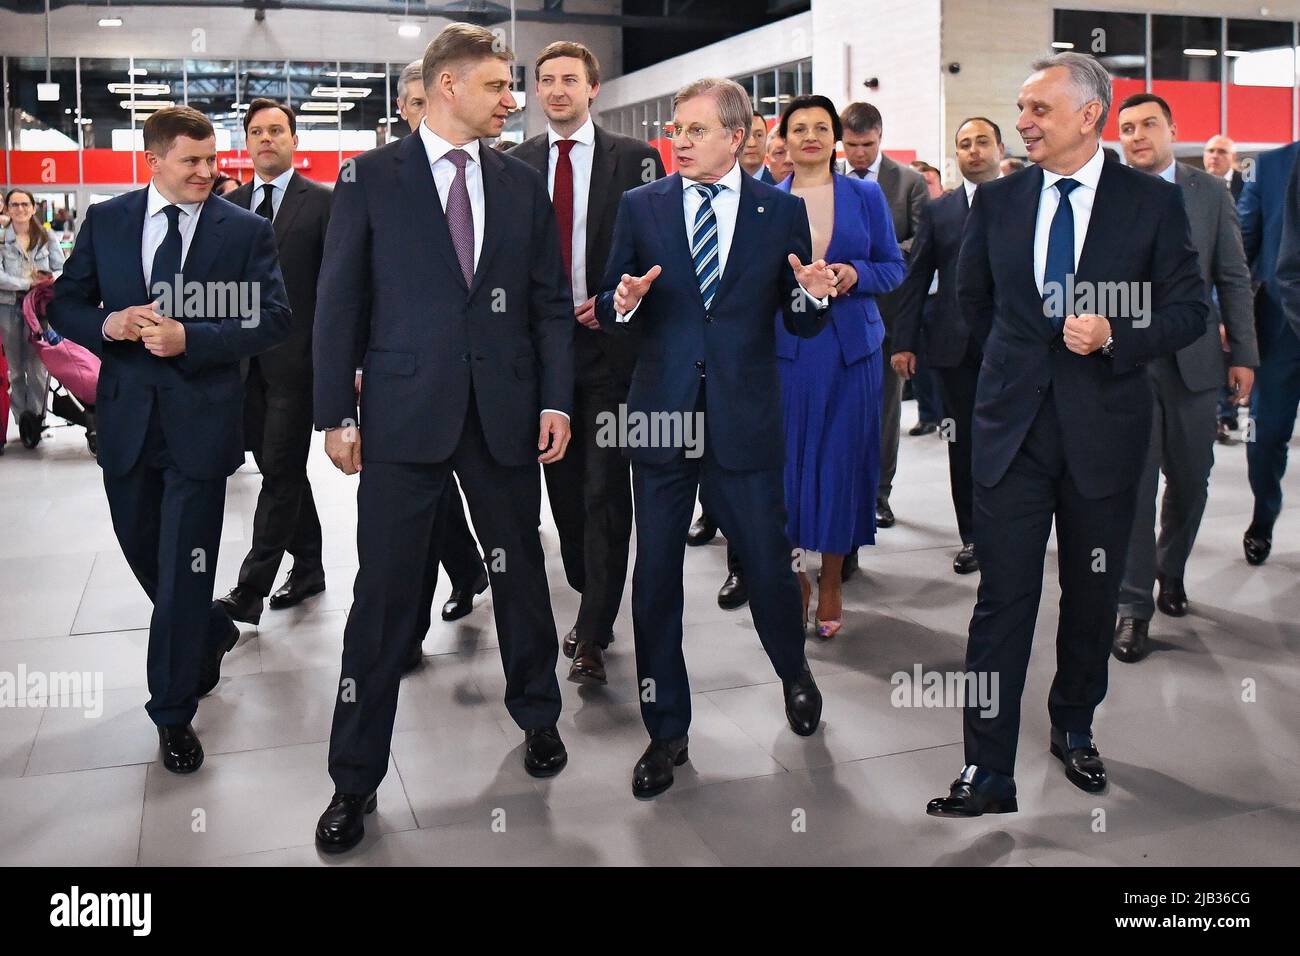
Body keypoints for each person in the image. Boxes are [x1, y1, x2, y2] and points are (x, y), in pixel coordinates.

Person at [311, 23, 574, 852]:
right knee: (383, 599)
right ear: (449, 86)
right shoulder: (370, 179)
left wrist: (556, 401)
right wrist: (334, 413)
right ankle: (354, 780)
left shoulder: (523, 182)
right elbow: (338, 302)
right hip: (402, 414)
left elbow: (548, 304)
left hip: (502, 413)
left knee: (521, 574)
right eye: (499, 85)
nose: (513, 99)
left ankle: (538, 715)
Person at [926, 53, 1205, 818]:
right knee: (1001, 600)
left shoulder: (1150, 204)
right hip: (1012, 433)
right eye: (1021, 109)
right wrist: (1012, 374)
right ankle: (985, 771)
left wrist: (1117, 331)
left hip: (1104, 434)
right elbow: (974, 307)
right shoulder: (1001, 201)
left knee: (1088, 598)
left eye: (1039, 110)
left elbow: (1189, 311)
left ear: (1089, 116)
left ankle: (1074, 725)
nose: (1022, 123)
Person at [597, 77, 837, 798]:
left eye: (696, 129)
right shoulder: (642, 206)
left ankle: (793, 673)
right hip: (662, 416)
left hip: (744, 417)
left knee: (767, 563)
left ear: (738, 136)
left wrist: (815, 296)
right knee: (656, 578)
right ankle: (665, 729)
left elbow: (798, 316)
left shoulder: (779, 211)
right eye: (677, 128)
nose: (680, 140)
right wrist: (623, 301)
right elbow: (615, 307)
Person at [48, 106, 291, 776]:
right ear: (152, 160)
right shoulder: (109, 222)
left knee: (186, 570)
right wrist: (109, 322)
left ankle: (173, 711)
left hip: (202, 428)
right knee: (144, 552)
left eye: (212, 159)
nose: (207, 172)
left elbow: (271, 317)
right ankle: (210, 632)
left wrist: (194, 338)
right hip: (125, 425)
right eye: (191, 161)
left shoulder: (244, 231)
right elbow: (64, 303)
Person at [509, 41, 665, 684]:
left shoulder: (637, 161)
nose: (556, 90)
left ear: (593, 88)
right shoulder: (512, 165)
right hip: (542, 356)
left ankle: (595, 628)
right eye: (545, 81)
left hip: (612, 352)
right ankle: (587, 587)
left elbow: (660, 256)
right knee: (565, 495)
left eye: (569, 79)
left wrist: (620, 302)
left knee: (605, 491)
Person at [1112, 93, 1256, 661]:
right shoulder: (1107, 191)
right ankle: (1131, 606)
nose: (1138, 135)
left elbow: (1233, 276)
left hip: (1195, 361)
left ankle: (1171, 571)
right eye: (1127, 127)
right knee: (1134, 486)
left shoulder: (1209, 192)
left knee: (1192, 479)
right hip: (1125, 362)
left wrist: (1243, 352)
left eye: (1149, 124)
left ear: (1173, 129)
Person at [775, 94, 904, 637]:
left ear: (835, 138)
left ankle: (832, 576)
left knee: (842, 463)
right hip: (789, 351)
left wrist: (853, 273)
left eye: (820, 127)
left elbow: (894, 267)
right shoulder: (765, 200)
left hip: (853, 349)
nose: (810, 135)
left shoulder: (864, 195)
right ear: (783, 138)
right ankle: (796, 570)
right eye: (799, 127)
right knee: (792, 465)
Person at [214, 99, 334, 626]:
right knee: (278, 468)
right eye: (257, 132)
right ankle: (309, 565)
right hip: (243, 367)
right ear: (246, 142)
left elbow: (338, 289)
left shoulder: (325, 203)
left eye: (277, 131)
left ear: (294, 140)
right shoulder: (230, 207)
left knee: (281, 471)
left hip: (298, 363)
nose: (267, 139)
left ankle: (250, 586)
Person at [394, 56, 491, 639]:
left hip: (479, 387)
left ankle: (467, 573)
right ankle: (407, 631)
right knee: (413, 515)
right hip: (404, 387)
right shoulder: (378, 179)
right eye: (410, 103)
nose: (420, 111)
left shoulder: (491, 176)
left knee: (452, 500)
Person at [893, 117, 1005, 575]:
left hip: (1017, 349)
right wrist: (903, 342)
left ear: (1000, 148)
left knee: (1018, 446)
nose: (974, 151)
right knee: (964, 447)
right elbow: (917, 277)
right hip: (955, 349)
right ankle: (974, 537)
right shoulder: (940, 212)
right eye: (964, 144)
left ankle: (1014, 533)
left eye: (982, 142)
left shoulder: (1031, 201)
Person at [840, 101, 928, 539]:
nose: (859, 154)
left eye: (867, 145)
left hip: (891, 313)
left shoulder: (908, 182)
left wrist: (876, 257)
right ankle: (846, 494)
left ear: (881, 137)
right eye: (851, 145)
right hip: (839, 314)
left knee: (884, 410)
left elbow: (922, 243)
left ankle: (879, 494)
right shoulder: (830, 181)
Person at [1238, 139, 1300, 567]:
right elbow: (1242, 246)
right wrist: (1233, 318)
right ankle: (1263, 516)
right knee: (1265, 437)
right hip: (1279, 329)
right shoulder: (1272, 165)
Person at [1, 188, 65, 449]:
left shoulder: (47, 237)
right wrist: (26, 283)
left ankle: (37, 420)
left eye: (24, 204)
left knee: (38, 367)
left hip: (39, 309)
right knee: (15, 369)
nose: (20, 209)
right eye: (14, 205)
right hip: (8, 308)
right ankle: (22, 419)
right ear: (6, 209)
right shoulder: (2, 239)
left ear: (33, 207)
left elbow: (62, 268)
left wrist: (50, 280)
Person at [1204, 134, 1249, 442]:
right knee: (1216, 351)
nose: (1214, 156)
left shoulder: (1246, 188)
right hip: (1206, 290)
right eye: (1210, 151)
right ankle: (1221, 416)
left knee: (1232, 351)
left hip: (1240, 283)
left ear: (1232, 159)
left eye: (1221, 152)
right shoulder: (1192, 188)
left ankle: (1229, 412)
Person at [741, 110, 774, 183]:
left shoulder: (782, 188)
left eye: (759, 135)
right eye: (745, 135)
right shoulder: (718, 188)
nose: (751, 144)